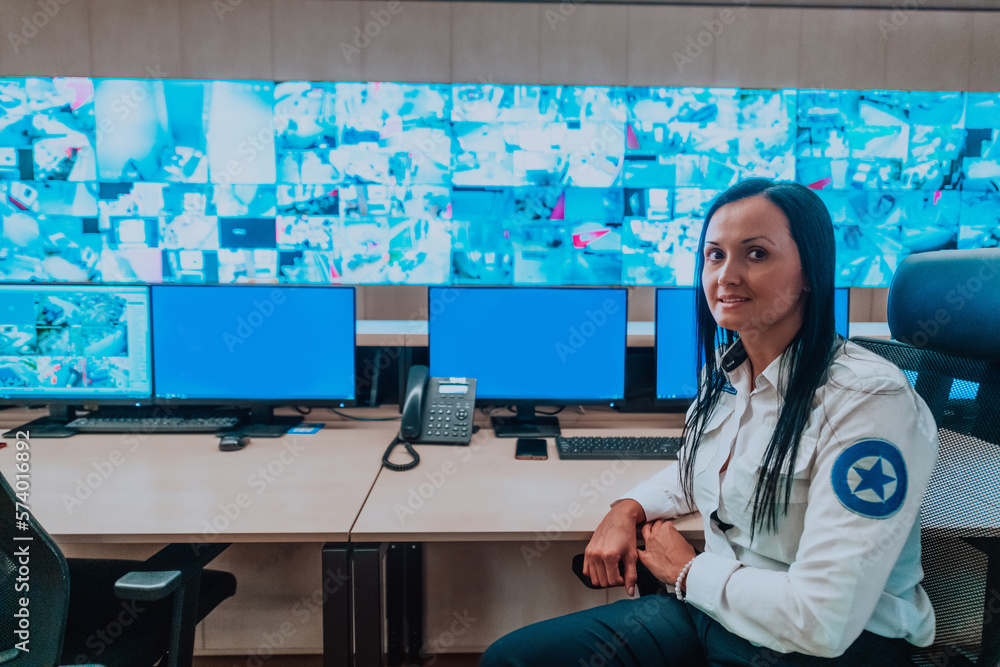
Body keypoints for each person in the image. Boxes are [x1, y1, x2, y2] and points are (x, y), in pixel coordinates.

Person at [481, 178, 938, 667]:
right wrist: (627, 508)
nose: (727, 276)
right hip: (715, 613)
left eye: (756, 254)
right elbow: (700, 468)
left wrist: (686, 570)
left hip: (824, 648)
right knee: (515, 659)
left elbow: (822, 620)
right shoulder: (730, 370)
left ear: (810, 272)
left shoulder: (867, 401)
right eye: (715, 255)